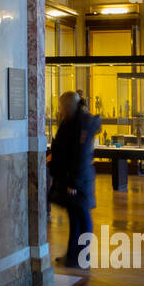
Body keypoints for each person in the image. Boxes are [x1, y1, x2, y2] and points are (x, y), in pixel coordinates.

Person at [47, 91, 102, 268]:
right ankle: (72, 254)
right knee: (74, 217)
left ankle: (82, 255)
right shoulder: (72, 121)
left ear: (68, 106)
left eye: (62, 107)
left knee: (82, 216)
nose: (60, 110)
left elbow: (80, 156)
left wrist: (74, 182)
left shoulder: (81, 123)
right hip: (73, 177)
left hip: (78, 179)